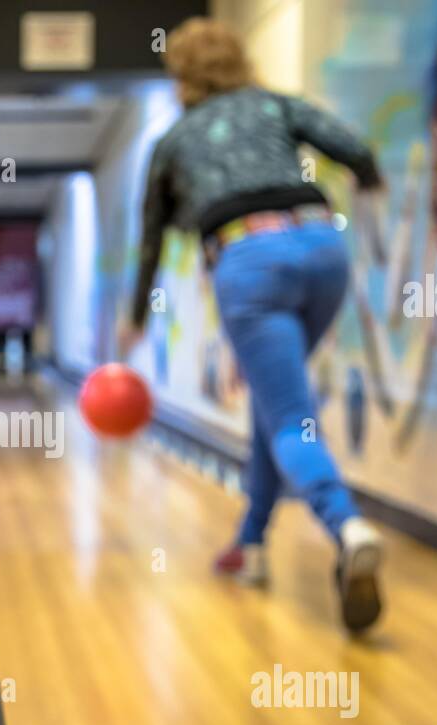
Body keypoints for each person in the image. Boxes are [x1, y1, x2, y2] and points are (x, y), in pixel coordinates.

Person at [123, 17, 385, 630]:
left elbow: (150, 242)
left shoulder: (173, 141)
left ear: (181, 75)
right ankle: (253, 543)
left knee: (290, 416)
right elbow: (358, 153)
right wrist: (373, 188)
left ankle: (346, 527)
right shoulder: (274, 105)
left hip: (249, 263)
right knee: (276, 403)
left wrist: (134, 320)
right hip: (323, 249)